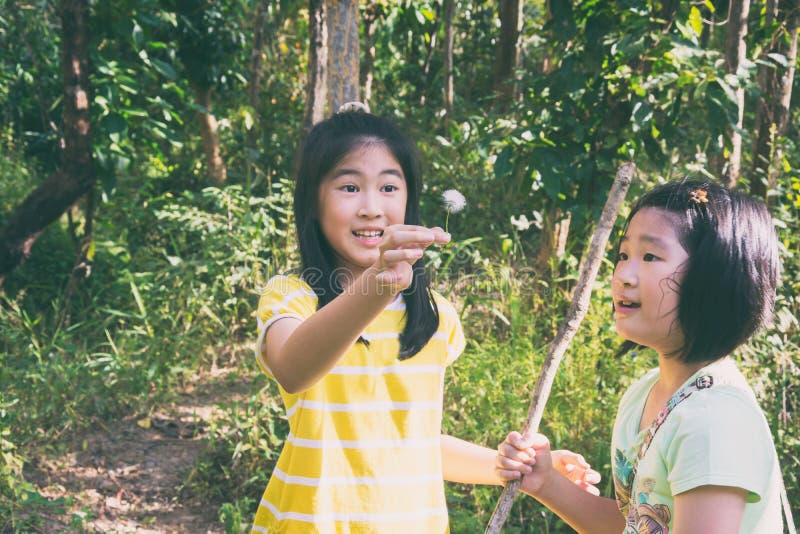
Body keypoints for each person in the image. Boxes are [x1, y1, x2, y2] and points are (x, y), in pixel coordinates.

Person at [251, 106, 599, 533]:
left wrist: (510, 466)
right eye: (349, 187)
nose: (371, 208)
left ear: (409, 199)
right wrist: (380, 284)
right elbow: (293, 370)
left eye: (388, 187)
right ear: (313, 201)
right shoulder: (292, 296)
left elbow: (417, 443)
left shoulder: (436, 316)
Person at [496, 180, 789, 533]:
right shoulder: (645, 395)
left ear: (716, 278)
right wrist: (546, 482)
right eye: (623, 256)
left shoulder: (714, 420)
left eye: (650, 256)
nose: (623, 275)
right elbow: (637, 524)